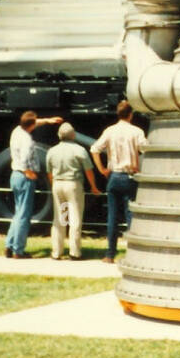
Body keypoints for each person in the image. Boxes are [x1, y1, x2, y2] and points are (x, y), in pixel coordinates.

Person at [90, 100, 147, 263]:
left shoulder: (110, 130)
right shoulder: (137, 131)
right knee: (131, 215)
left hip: (114, 176)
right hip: (129, 176)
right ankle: (133, 253)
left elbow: (94, 149)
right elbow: (145, 149)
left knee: (112, 216)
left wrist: (102, 169)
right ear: (131, 114)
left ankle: (110, 254)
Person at [4, 110, 62, 258]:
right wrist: (28, 172)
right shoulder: (27, 140)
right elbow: (24, 159)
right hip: (24, 177)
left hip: (15, 175)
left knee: (18, 213)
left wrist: (48, 120)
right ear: (30, 126)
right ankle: (18, 250)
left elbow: (33, 122)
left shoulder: (17, 131)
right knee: (24, 215)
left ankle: (9, 245)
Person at [46, 123, 101, 260]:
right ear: (73, 135)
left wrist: (54, 184)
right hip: (73, 185)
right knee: (75, 218)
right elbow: (88, 171)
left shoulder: (52, 151)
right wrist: (93, 186)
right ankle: (74, 252)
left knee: (60, 218)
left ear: (59, 135)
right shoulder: (79, 150)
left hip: (58, 184)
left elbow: (49, 172)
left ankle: (57, 252)